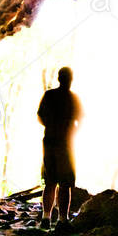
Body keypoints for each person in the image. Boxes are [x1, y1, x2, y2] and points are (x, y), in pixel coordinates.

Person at [36, 66, 82, 227]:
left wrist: (50, 126)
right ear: (69, 79)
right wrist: (70, 130)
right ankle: (62, 220)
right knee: (64, 182)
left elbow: (40, 115)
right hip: (64, 144)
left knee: (52, 181)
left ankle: (46, 218)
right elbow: (81, 119)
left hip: (50, 141)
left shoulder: (50, 96)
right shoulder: (72, 98)